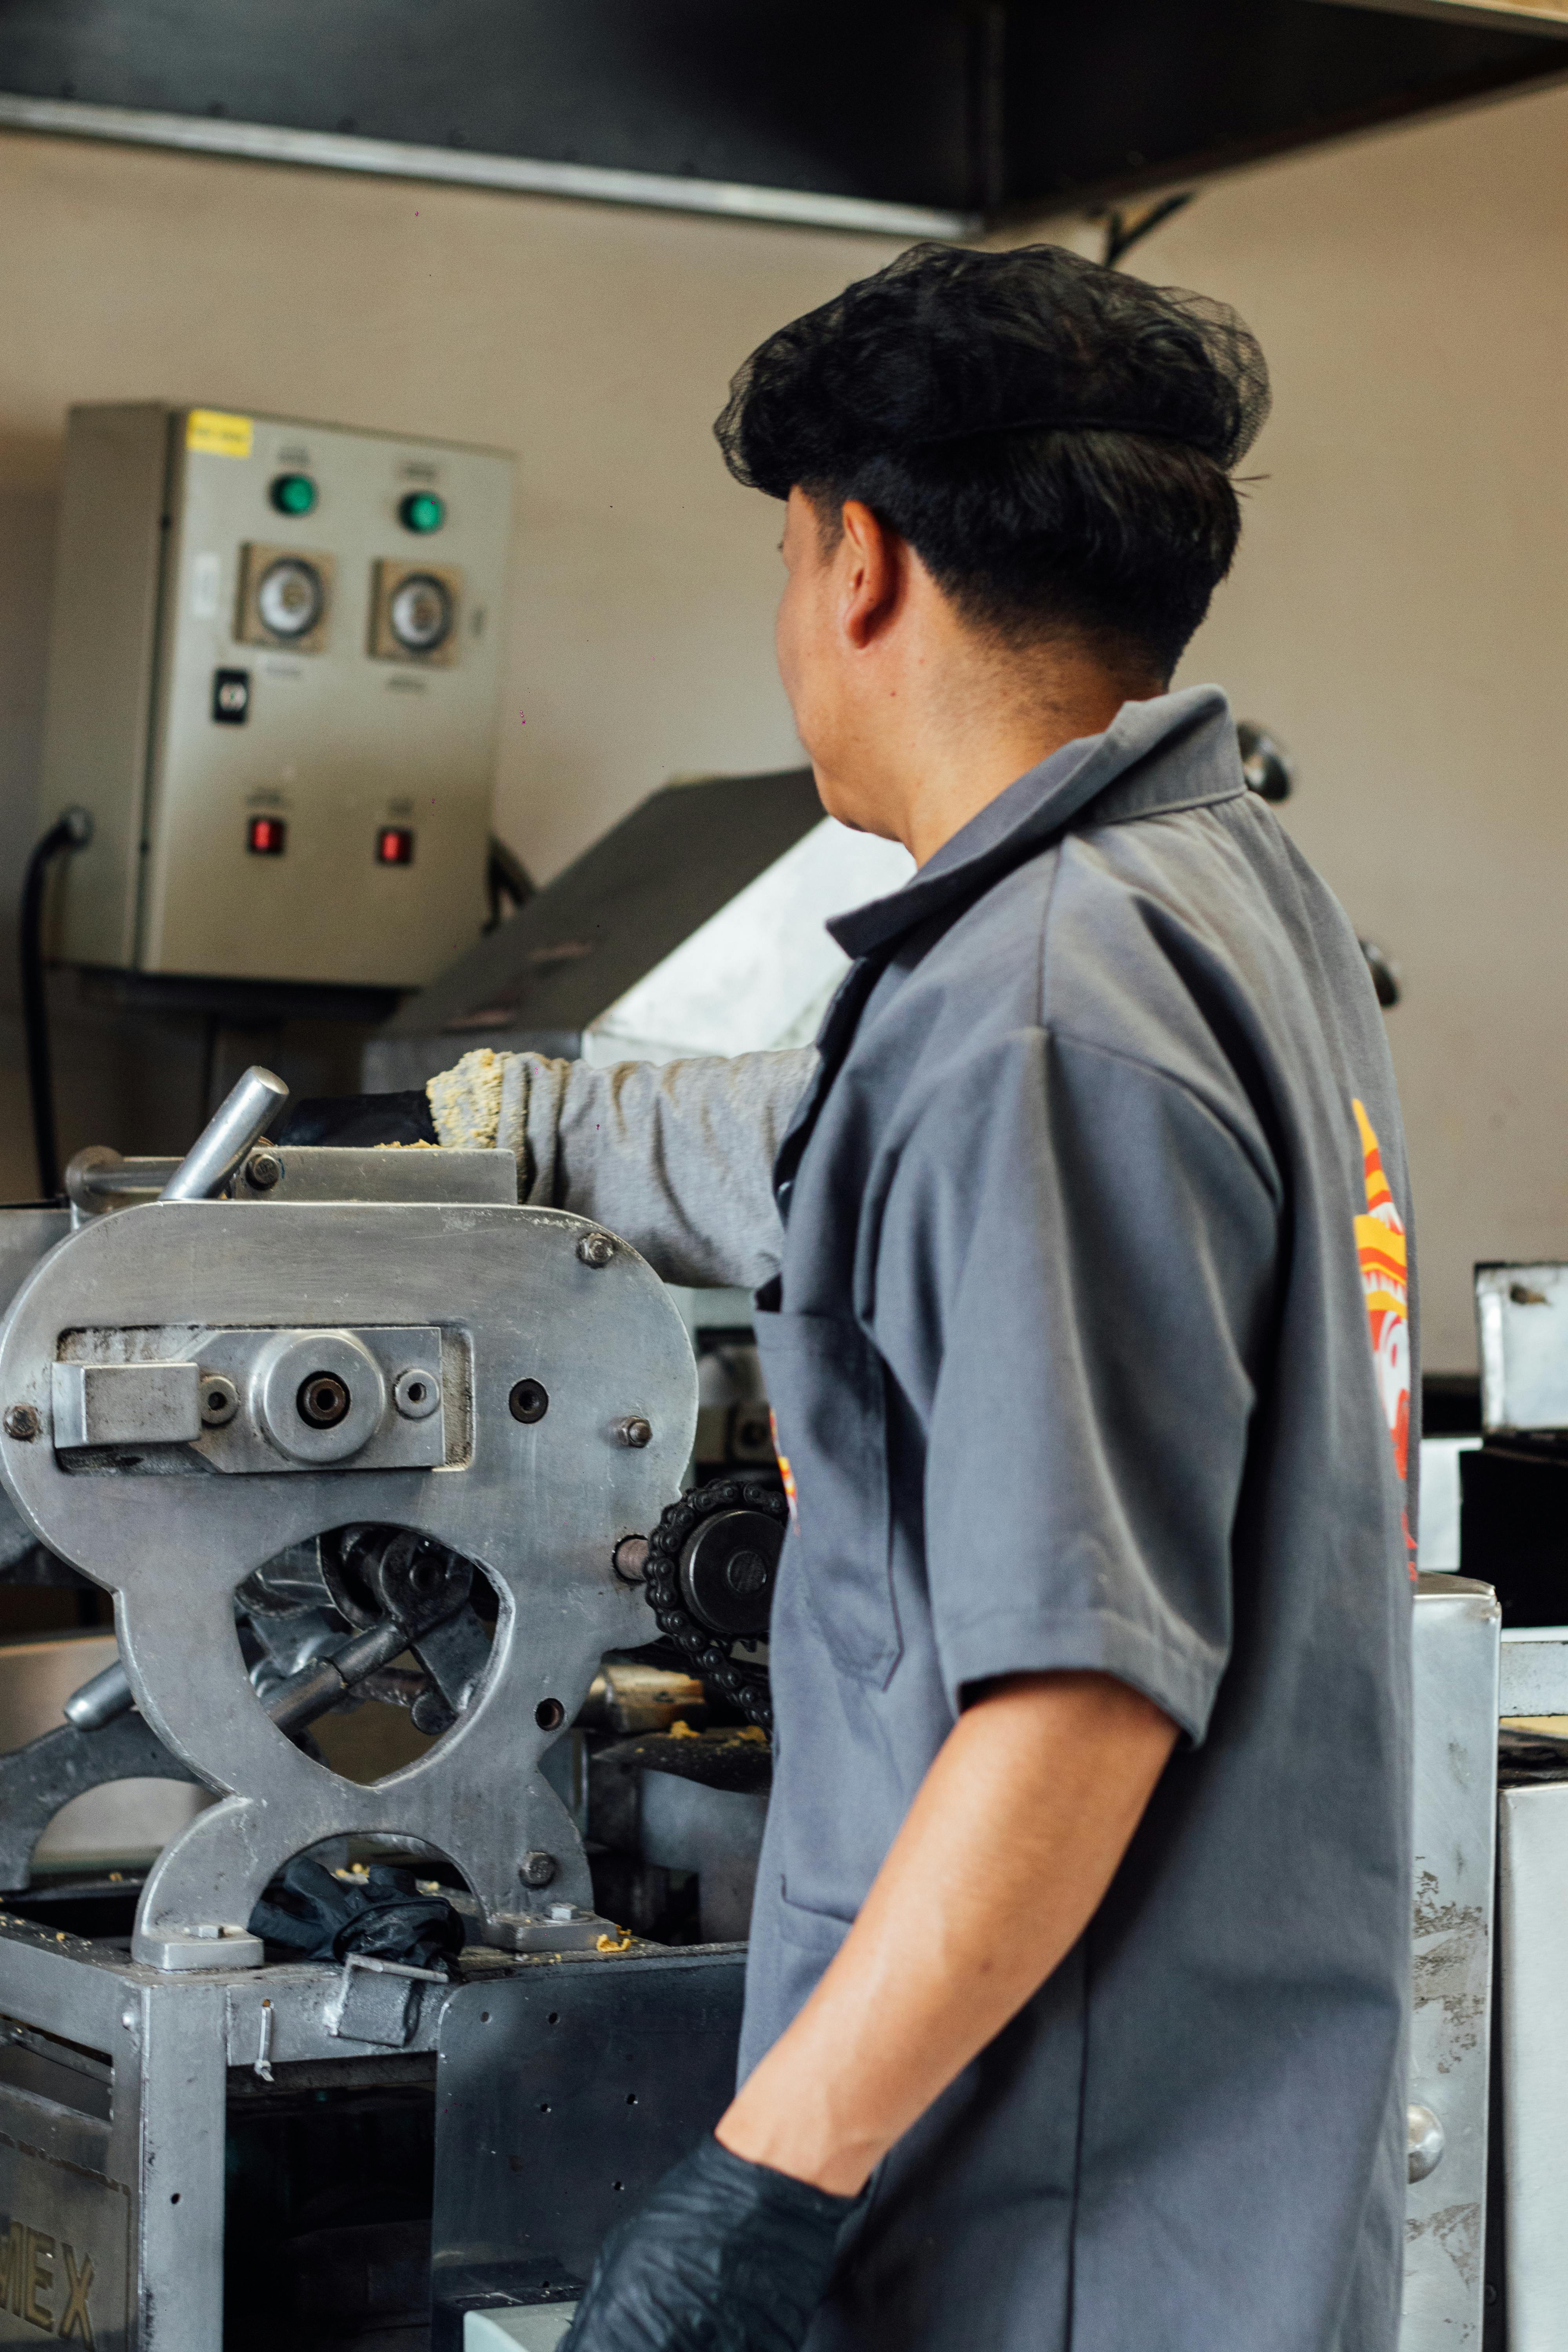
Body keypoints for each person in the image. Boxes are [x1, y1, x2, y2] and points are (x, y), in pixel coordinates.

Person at [424, 241, 1416, 2352]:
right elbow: (856, 1138)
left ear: (855, 560)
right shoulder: (1209, 902)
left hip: (1048, 2222)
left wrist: (754, 2194)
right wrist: (556, 1125)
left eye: (784, 556)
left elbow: (1077, 1701)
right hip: (1194, 2192)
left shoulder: (1039, 1011)